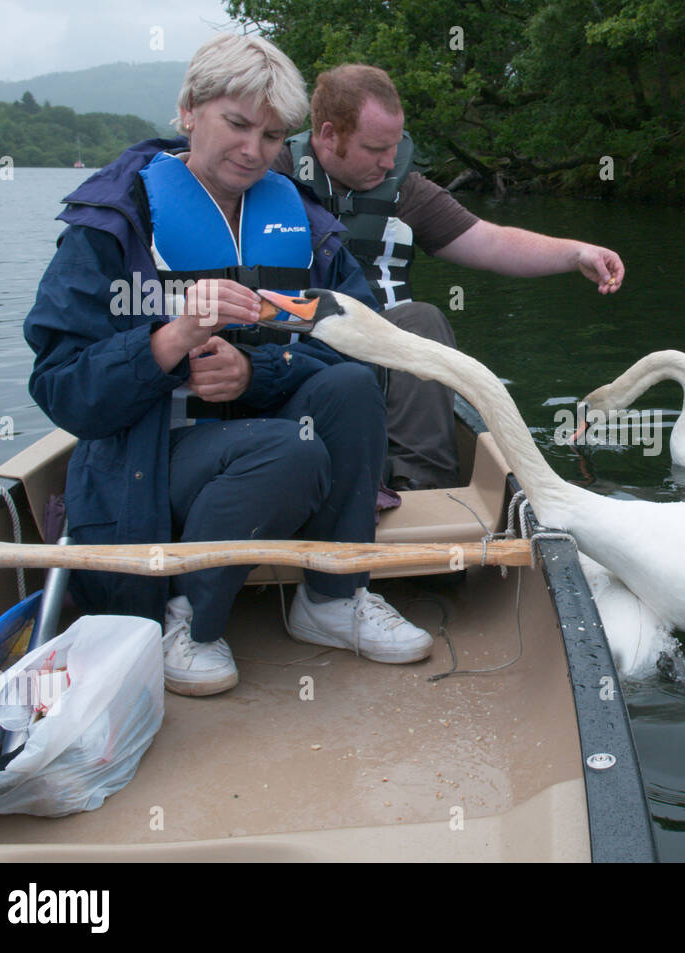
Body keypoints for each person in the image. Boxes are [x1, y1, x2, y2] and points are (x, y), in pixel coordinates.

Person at [23, 34, 433, 698]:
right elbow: (61, 386)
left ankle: (332, 598)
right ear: (189, 111)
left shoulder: (305, 223)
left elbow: (363, 342)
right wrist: (166, 343)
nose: (254, 150)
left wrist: (256, 373)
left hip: (268, 458)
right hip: (150, 469)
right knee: (287, 452)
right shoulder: (110, 226)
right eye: (237, 124)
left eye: (273, 137)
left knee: (353, 383)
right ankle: (187, 624)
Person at [274, 64, 626, 491]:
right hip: (294, 344)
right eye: (373, 149)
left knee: (423, 319)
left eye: (395, 146)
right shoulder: (268, 173)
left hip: (388, 353)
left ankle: (420, 487)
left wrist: (576, 253)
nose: (390, 163)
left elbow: (493, 243)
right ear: (328, 135)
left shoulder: (406, 190)